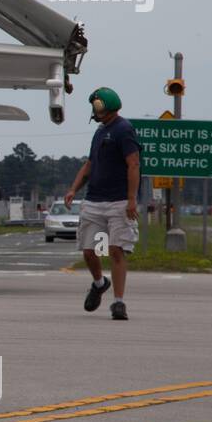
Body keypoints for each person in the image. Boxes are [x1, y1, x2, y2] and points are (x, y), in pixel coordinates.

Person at [64, 87, 140, 320]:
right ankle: (99, 283)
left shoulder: (124, 130)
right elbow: (89, 164)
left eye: (96, 107)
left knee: (116, 250)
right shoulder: (100, 132)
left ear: (103, 108)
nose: (94, 112)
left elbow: (133, 164)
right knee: (89, 251)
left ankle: (119, 303)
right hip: (94, 200)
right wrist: (73, 189)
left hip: (118, 201)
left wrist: (130, 199)